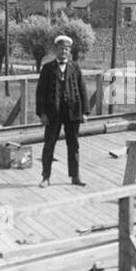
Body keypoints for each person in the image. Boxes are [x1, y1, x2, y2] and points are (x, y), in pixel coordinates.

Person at [36, 34, 89, 187]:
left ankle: (75, 176)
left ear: (69, 51)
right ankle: (46, 177)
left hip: (72, 113)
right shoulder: (47, 68)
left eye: (66, 49)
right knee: (49, 145)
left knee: (74, 145)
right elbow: (40, 93)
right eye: (61, 49)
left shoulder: (75, 67)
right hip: (53, 114)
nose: (64, 52)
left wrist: (85, 112)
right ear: (56, 50)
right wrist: (42, 113)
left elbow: (82, 89)